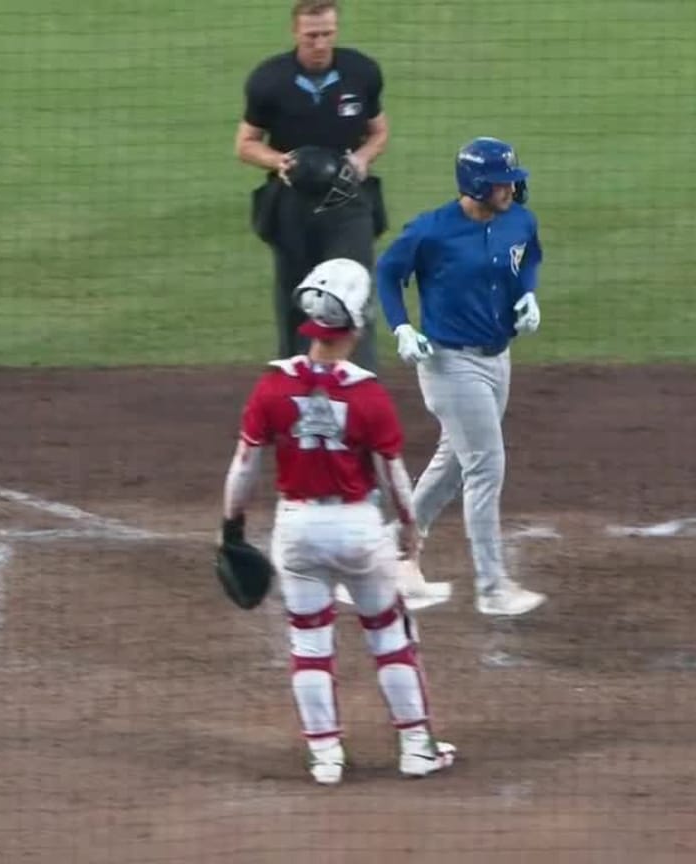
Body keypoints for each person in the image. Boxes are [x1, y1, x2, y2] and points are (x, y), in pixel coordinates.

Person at [217, 258, 455, 784]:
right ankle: (416, 747)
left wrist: (230, 529)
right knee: (389, 634)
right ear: (357, 323)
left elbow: (243, 466)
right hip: (357, 530)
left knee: (308, 642)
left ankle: (326, 756)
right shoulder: (368, 394)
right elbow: (395, 479)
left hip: (297, 530)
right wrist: (411, 537)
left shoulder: (272, 388)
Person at [373, 137, 548, 617]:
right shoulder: (432, 231)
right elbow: (387, 273)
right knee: (486, 466)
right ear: (475, 183)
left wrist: (527, 295)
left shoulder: (518, 220)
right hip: (450, 363)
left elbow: (527, 257)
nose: (511, 189)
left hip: (498, 358)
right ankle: (492, 587)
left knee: (454, 463)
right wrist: (401, 326)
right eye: (501, 182)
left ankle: (394, 549)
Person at [235, 0, 389, 370]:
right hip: (291, 201)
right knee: (296, 295)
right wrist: (279, 161)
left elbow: (379, 132)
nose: (320, 44)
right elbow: (245, 144)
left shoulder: (361, 72)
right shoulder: (269, 80)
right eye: (311, 36)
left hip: (348, 199)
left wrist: (362, 158)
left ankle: (358, 379)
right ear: (295, 33)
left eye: (326, 34)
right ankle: (294, 381)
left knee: (353, 289)